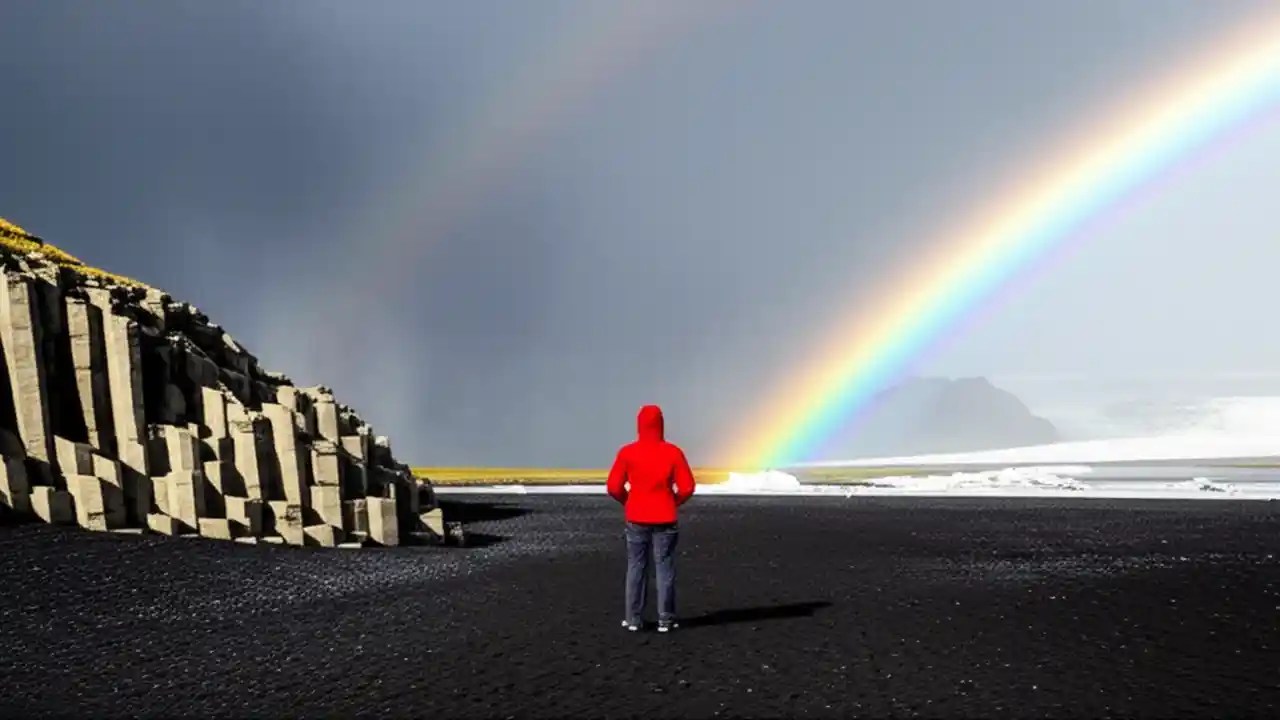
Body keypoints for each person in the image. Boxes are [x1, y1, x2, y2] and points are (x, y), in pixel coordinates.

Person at [606, 404, 696, 633]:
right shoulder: (673, 452)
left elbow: (613, 486)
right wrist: (672, 501)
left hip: (637, 516)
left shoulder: (627, 452)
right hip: (665, 518)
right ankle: (665, 620)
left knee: (636, 567)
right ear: (661, 425)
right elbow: (687, 487)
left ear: (639, 425)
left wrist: (629, 500)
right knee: (664, 567)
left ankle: (633, 619)